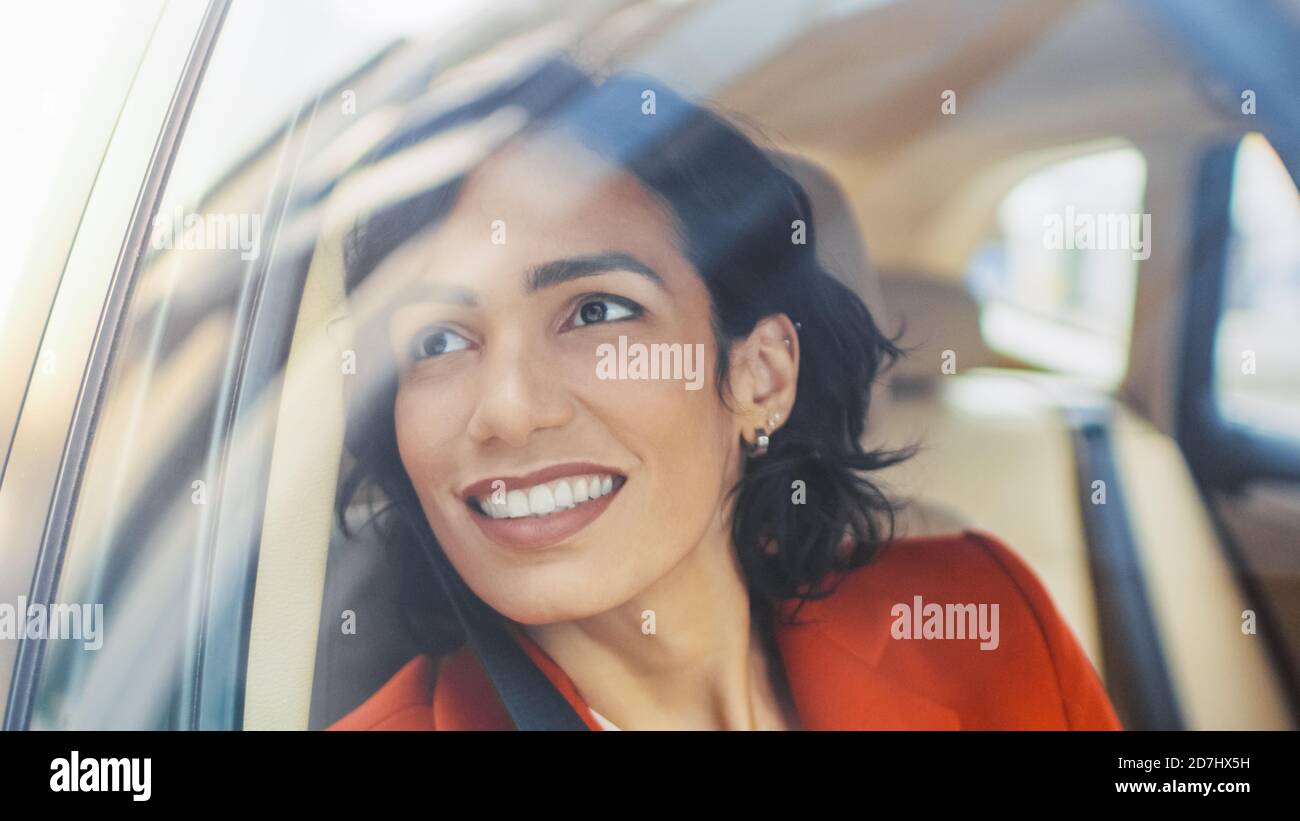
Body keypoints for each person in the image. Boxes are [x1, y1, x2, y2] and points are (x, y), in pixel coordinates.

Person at [326, 56, 1122, 730]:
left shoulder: (979, 617)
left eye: (596, 311)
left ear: (760, 375)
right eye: (438, 341)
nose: (503, 409)